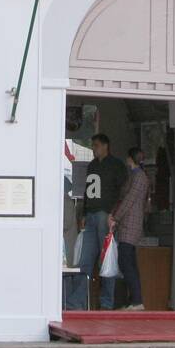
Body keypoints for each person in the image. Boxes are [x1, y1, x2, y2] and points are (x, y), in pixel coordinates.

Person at [66, 133, 126, 310]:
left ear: (106, 146)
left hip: (105, 215)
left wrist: (114, 214)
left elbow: (122, 192)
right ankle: (76, 302)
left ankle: (106, 302)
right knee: (85, 261)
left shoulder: (116, 165)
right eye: (93, 145)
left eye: (97, 145)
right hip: (91, 215)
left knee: (105, 260)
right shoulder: (92, 165)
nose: (94, 149)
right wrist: (83, 214)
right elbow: (87, 191)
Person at [110, 147, 149, 311]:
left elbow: (129, 199)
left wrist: (115, 217)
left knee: (126, 261)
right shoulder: (136, 176)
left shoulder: (138, 177)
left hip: (130, 223)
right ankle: (133, 300)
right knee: (128, 261)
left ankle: (137, 300)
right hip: (128, 223)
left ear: (130, 159)